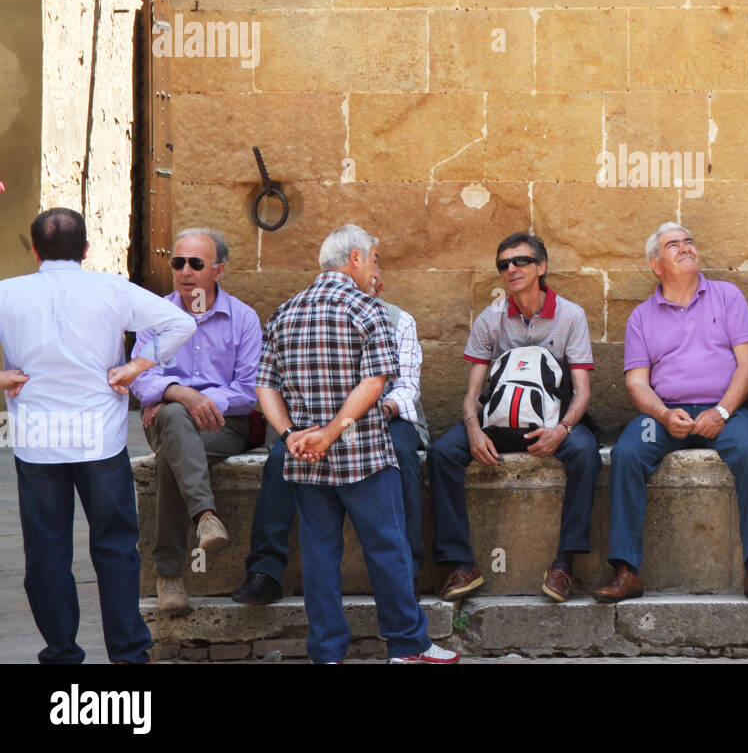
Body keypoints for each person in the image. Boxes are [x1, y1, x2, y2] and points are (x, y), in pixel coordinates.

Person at [0, 207, 195, 663]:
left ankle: (63, 653)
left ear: (34, 251)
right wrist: (135, 367)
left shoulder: (8, 293)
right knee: (115, 547)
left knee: (46, 552)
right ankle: (129, 653)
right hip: (100, 437)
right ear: (86, 249)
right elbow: (180, 322)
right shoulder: (111, 288)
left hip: (37, 437)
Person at [254, 224, 456, 663]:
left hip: (305, 459)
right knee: (387, 548)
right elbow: (376, 382)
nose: (375, 269)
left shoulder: (284, 312)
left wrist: (291, 435)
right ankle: (408, 645)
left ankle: (327, 652)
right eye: (375, 259)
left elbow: (265, 386)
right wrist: (333, 431)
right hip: (363, 454)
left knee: (320, 556)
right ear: (356, 259)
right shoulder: (369, 310)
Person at [594, 223, 748, 603]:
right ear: (656, 265)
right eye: (673, 245)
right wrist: (662, 415)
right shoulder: (641, 317)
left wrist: (723, 411)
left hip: (728, 409)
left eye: (688, 241)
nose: (685, 247)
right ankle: (626, 570)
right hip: (662, 416)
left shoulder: (727, 297)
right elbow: (637, 384)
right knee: (627, 453)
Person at [231, 276, 428, 606]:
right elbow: (274, 385)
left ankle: (408, 570)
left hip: (385, 416)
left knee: (399, 452)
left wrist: (369, 414)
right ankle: (265, 570)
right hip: (318, 423)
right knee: (281, 458)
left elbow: (405, 387)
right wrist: (301, 432)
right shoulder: (310, 317)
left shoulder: (397, 320)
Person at [429, 232, 598, 603]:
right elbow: (473, 391)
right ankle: (461, 564)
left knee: (586, 453)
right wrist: (473, 430)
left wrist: (563, 430)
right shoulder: (491, 318)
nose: (511, 269)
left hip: (552, 421)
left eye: (521, 261)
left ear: (541, 267)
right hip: (496, 419)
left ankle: (563, 566)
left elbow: (583, 390)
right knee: (442, 453)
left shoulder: (571, 315)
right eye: (504, 264)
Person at [131, 228, 262, 618]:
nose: (185, 271)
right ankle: (205, 517)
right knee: (173, 419)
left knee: (174, 442)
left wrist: (199, 402)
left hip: (225, 425)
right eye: (178, 263)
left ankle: (168, 574)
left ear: (218, 270)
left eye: (196, 264)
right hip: (169, 418)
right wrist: (178, 394)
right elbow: (138, 377)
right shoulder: (156, 317)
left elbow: (250, 390)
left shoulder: (243, 319)